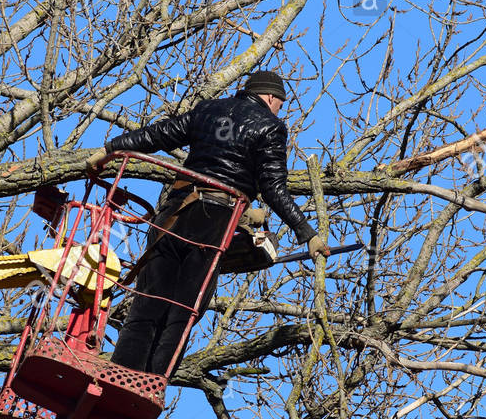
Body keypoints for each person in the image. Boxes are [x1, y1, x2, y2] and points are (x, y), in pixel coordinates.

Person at [85, 69, 329, 376]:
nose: (281, 109)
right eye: (281, 102)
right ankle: (152, 384)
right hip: (215, 221)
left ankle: (119, 377)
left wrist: (110, 149)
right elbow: (273, 188)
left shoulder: (208, 109)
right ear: (270, 97)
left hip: (174, 213)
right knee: (185, 308)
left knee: (148, 301)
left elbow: (157, 134)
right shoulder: (270, 127)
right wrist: (307, 233)